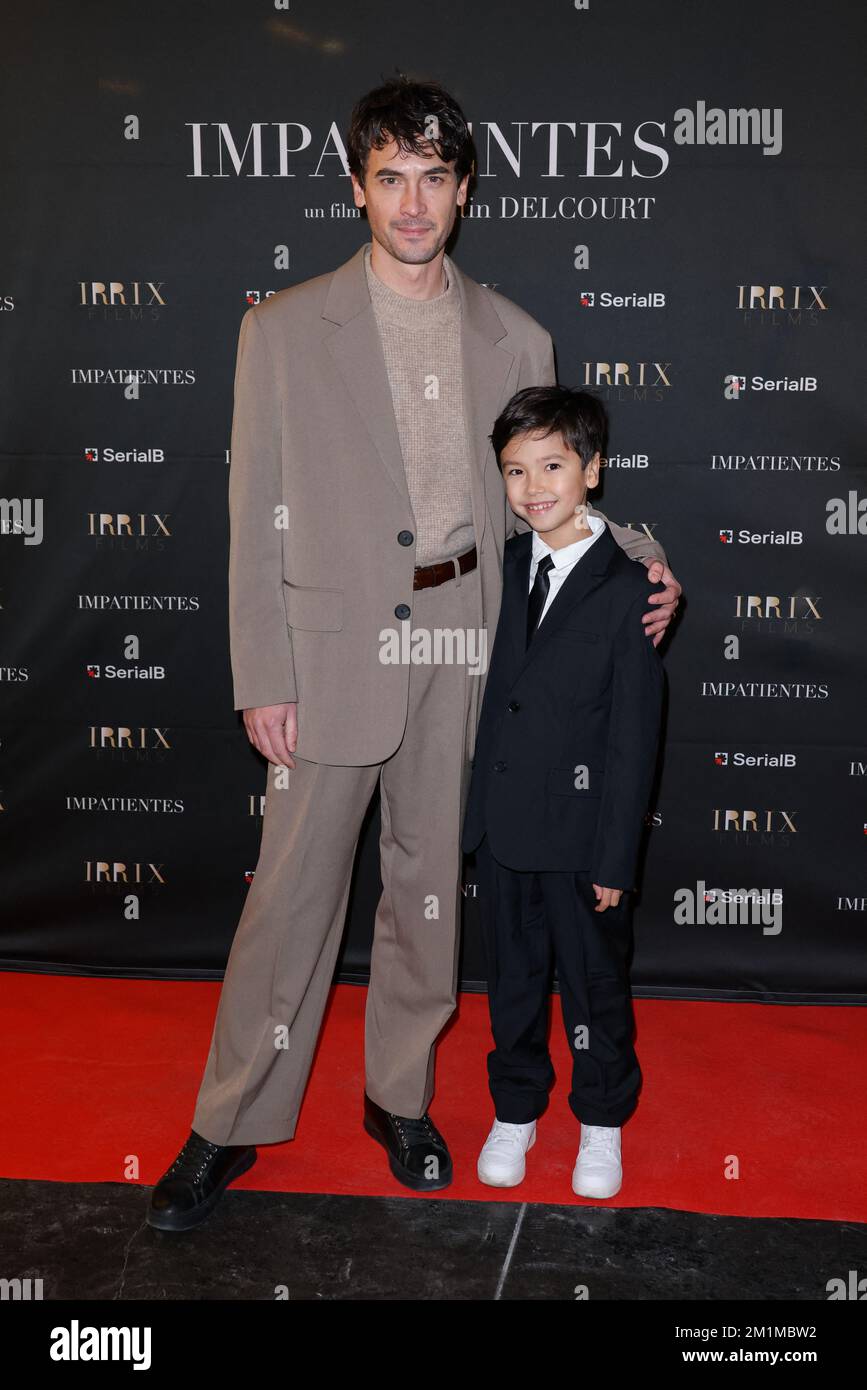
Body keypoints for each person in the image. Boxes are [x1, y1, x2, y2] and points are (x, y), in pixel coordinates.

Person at [146, 77, 681, 1233]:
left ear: (466, 189)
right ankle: (230, 1118)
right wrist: (263, 673)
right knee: (288, 903)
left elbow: (561, 484)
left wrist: (642, 557)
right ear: (356, 186)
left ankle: (400, 1099)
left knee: (428, 899)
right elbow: (254, 512)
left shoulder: (516, 334)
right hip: (327, 657)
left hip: (471, 655)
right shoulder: (280, 329)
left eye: (435, 176)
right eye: (390, 175)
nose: (412, 200)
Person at [462, 385, 665, 1201]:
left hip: (585, 843)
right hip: (506, 830)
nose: (533, 486)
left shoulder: (632, 589)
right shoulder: (507, 565)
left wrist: (615, 854)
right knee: (511, 983)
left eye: (552, 465)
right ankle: (514, 1110)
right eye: (515, 470)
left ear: (593, 471)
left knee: (593, 986)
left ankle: (600, 1121)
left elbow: (633, 737)